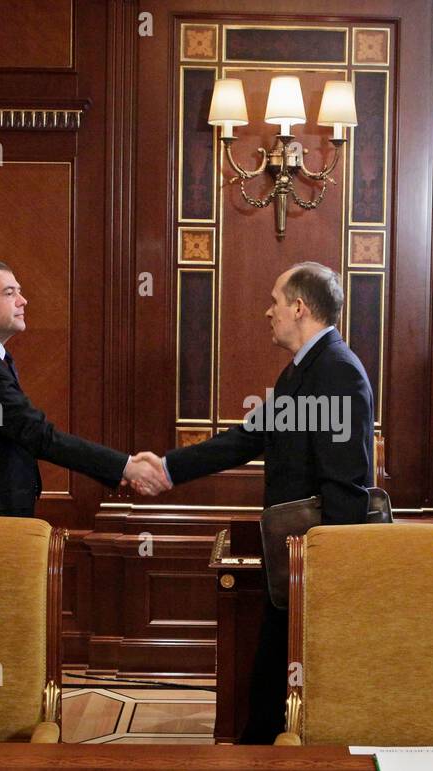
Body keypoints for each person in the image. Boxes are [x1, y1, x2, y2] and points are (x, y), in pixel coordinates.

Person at [137, 262, 374, 743]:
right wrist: (168, 467)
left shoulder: (337, 372)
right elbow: (250, 438)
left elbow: (347, 487)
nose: (269, 312)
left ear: (299, 307)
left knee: (279, 683)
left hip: (315, 565)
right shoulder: (303, 370)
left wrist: (328, 575)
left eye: (274, 301)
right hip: (291, 558)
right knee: (270, 678)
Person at [0, 261, 166, 516]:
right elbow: (38, 434)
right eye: (9, 293)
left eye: (19, 291)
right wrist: (125, 466)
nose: (23, 300)